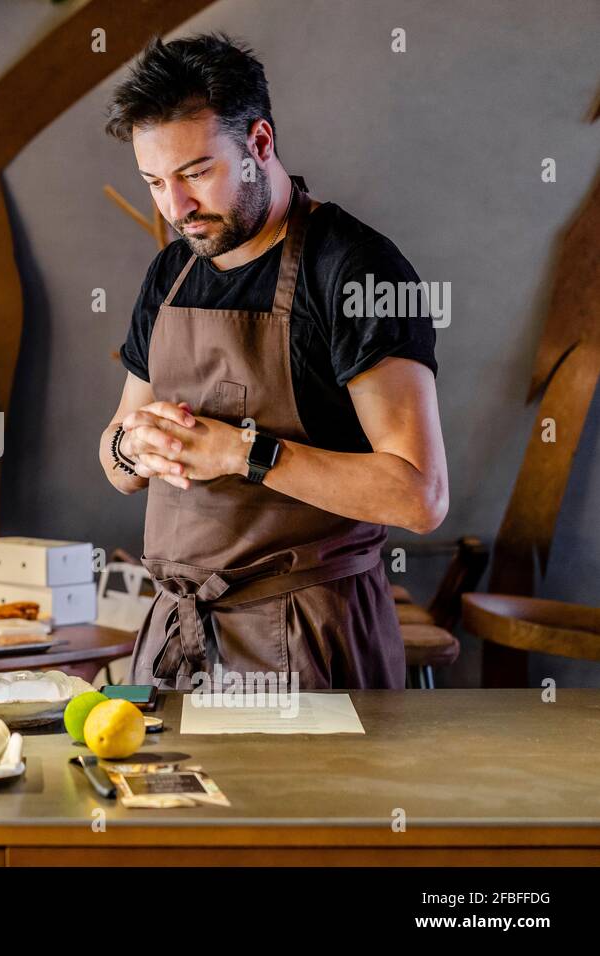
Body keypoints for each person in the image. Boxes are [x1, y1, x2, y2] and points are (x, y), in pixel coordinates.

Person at [99, 33, 447, 690]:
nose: (176, 209)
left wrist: (241, 454)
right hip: (178, 638)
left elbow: (419, 496)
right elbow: (117, 457)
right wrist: (134, 448)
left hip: (308, 639)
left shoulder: (352, 270)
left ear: (259, 144)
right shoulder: (172, 271)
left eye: (197, 173)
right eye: (154, 182)